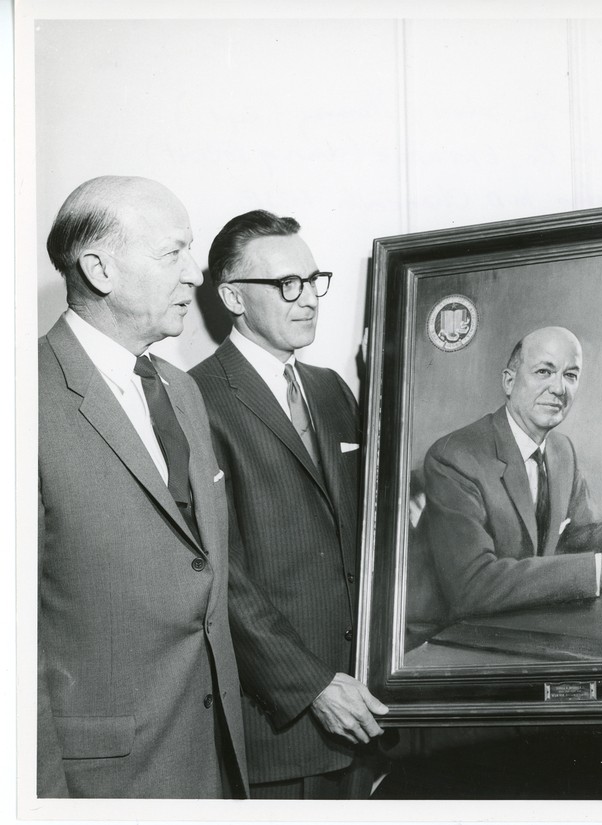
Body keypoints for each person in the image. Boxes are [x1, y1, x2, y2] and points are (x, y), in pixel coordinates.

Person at [37, 176, 248, 798]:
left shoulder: (181, 390)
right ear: (100, 269)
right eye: (173, 253)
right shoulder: (20, 396)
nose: (196, 275)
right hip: (102, 783)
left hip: (213, 761)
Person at [189, 210, 388, 800]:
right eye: (284, 285)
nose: (308, 300)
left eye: (312, 280)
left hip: (366, 711)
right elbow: (217, 573)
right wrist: (312, 687)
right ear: (232, 297)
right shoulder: (193, 397)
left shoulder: (331, 389)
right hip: (281, 723)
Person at [423, 325, 602, 620]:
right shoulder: (454, 457)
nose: (559, 389)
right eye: (543, 372)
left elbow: (588, 530)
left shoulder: (561, 450)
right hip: (448, 633)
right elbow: (471, 586)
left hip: (523, 619)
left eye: (570, 375)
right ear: (509, 382)